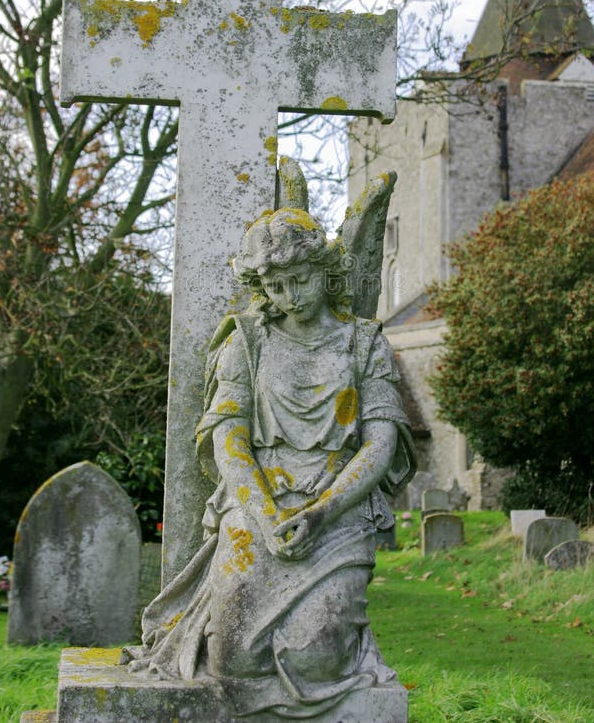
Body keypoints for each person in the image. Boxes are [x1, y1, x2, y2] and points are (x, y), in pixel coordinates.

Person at [124, 208, 416, 719]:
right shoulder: (247, 340)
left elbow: (379, 445)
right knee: (231, 656)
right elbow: (228, 439)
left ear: (325, 272)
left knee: (320, 658)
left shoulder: (364, 343)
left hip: (338, 513)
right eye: (276, 286)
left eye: (300, 280)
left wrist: (322, 511)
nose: (290, 296)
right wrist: (262, 512)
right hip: (257, 506)